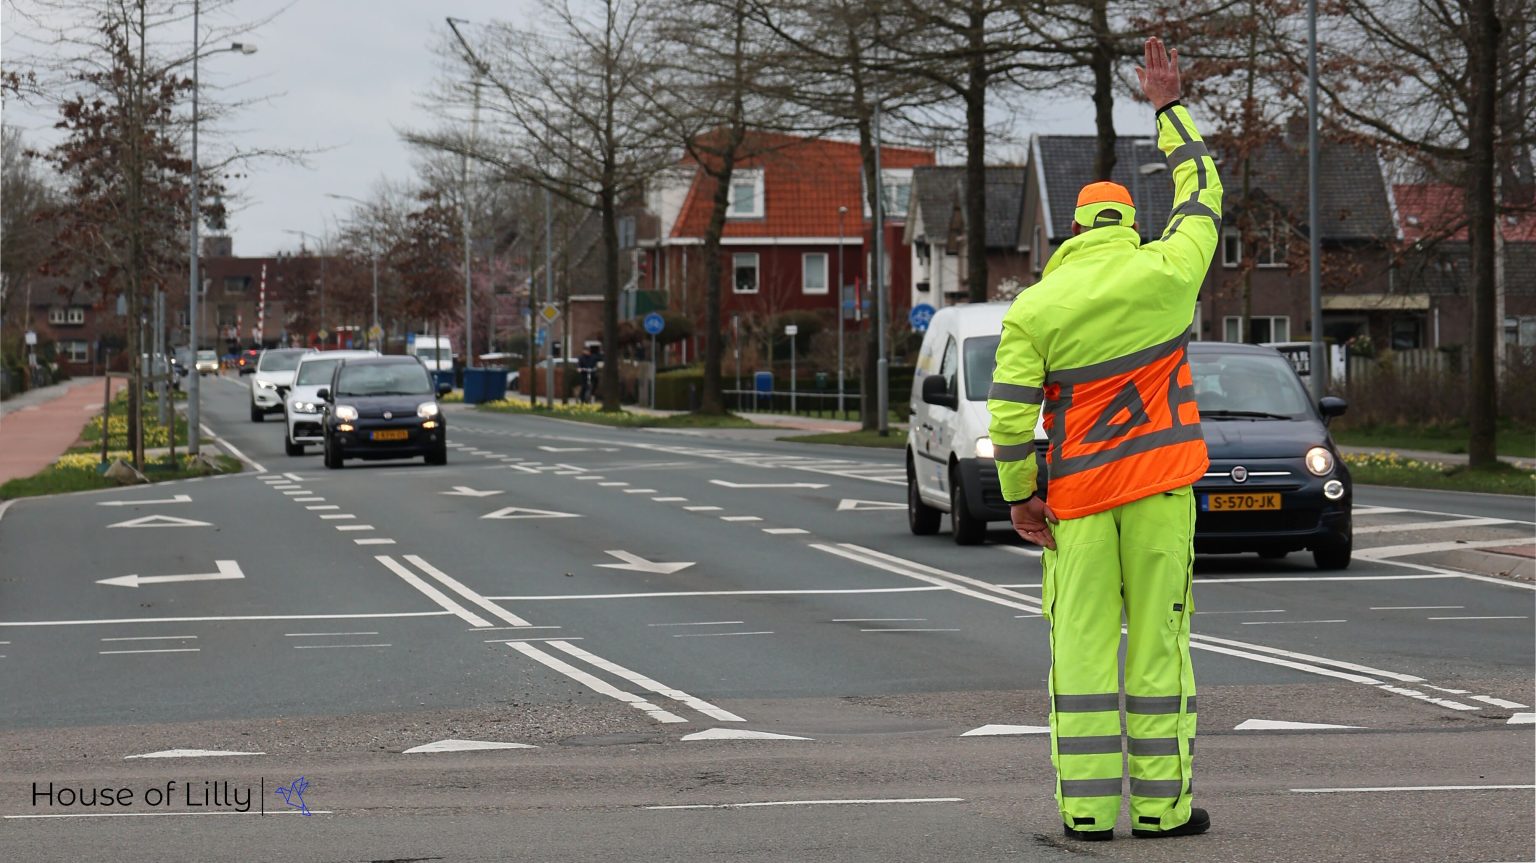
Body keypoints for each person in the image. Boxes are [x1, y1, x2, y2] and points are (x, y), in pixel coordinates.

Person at [986, 37, 1221, 842]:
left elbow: (1011, 419)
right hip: (1161, 495)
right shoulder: (1168, 272)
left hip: (1079, 503)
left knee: (1082, 652)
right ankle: (1163, 809)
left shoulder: (1035, 308)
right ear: (1129, 223)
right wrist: (1168, 108)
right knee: (1160, 646)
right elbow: (1204, 197)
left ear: (1074, 229)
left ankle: (1086, 811)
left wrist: (1022, 497)